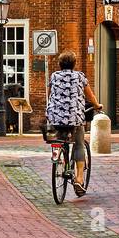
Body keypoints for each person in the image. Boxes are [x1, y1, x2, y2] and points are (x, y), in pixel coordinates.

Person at [44, 51, 101, 196]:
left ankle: (60, 160)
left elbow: (50, 94)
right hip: (74, 118)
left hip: (55, 118)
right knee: (79, 144)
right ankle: (79, 179)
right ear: (74, 64)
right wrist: (97, 105)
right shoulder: (80, 76)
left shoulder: (54, 76)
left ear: (59, 64)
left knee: (60, 139)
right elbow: (90, 95)